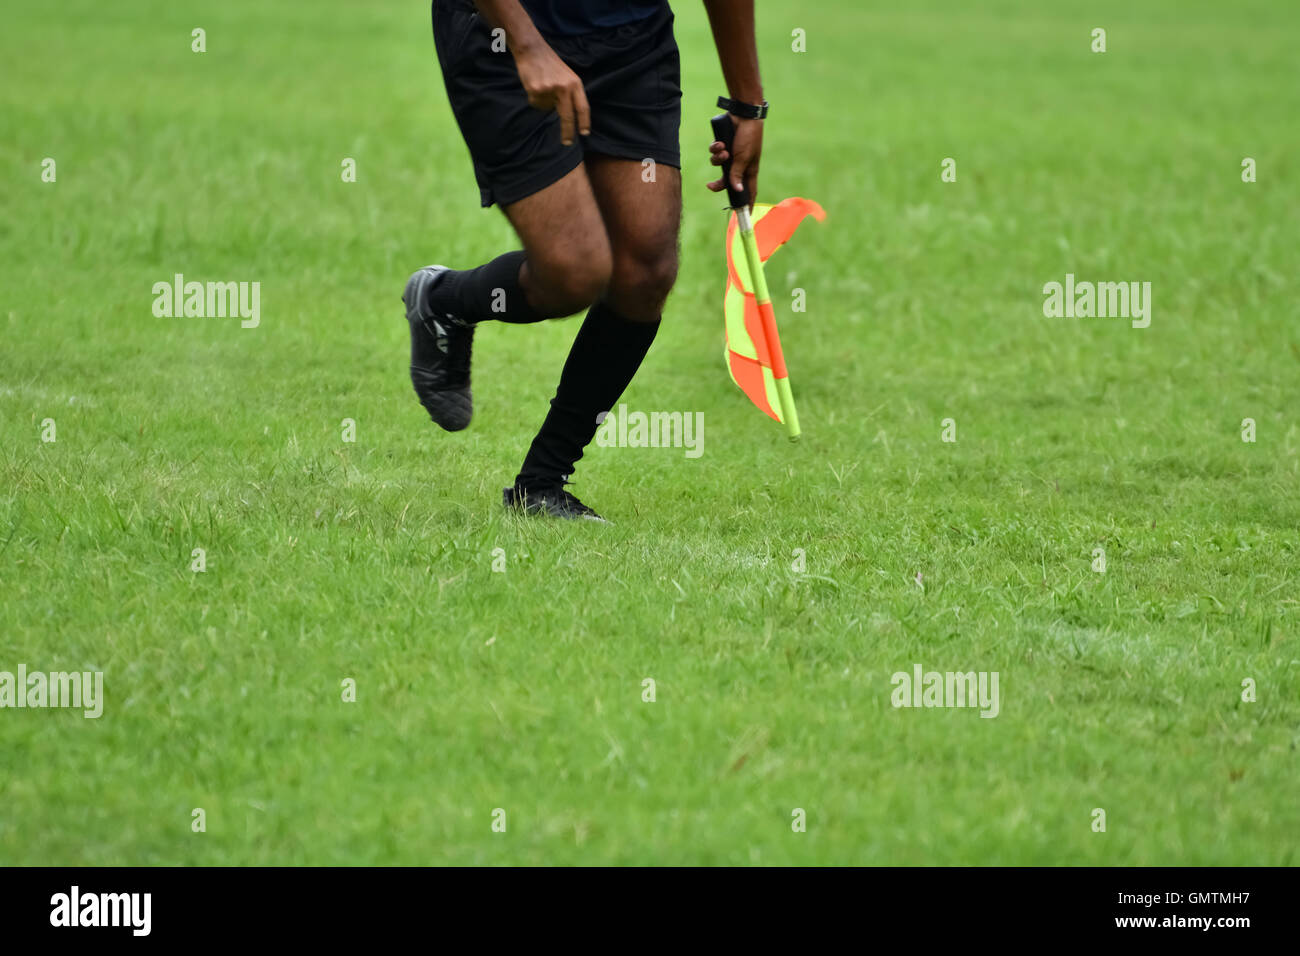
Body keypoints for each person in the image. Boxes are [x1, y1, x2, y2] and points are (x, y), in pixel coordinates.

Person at [405, 0, 767, 520]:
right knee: (575, 270)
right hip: (502, 35)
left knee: (646, 270)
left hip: (631, 38)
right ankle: (443, 301)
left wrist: (747, 105)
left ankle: (542, 485)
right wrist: (527, 47)